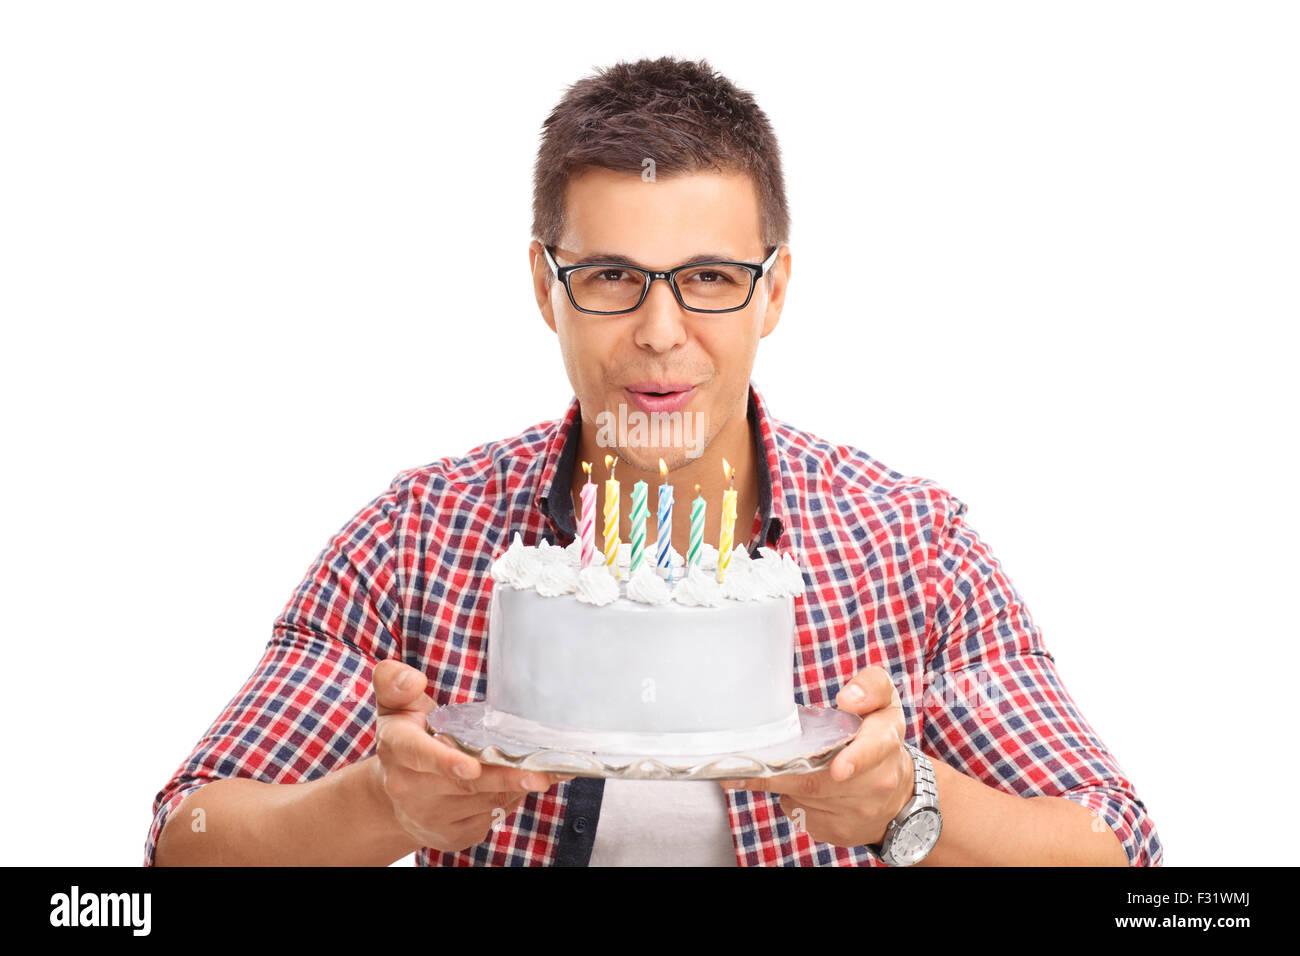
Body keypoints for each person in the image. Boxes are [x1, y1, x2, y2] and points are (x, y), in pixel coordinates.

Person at [146, 55, 1162, 867]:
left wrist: (907, 803)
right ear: (545, 287)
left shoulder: (910, 546)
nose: (661, 330)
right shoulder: (421, 533)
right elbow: (186, 840)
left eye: (711, 276)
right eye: (612, 276)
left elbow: (1117, 847)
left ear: (774, 290)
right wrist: (381, 803)